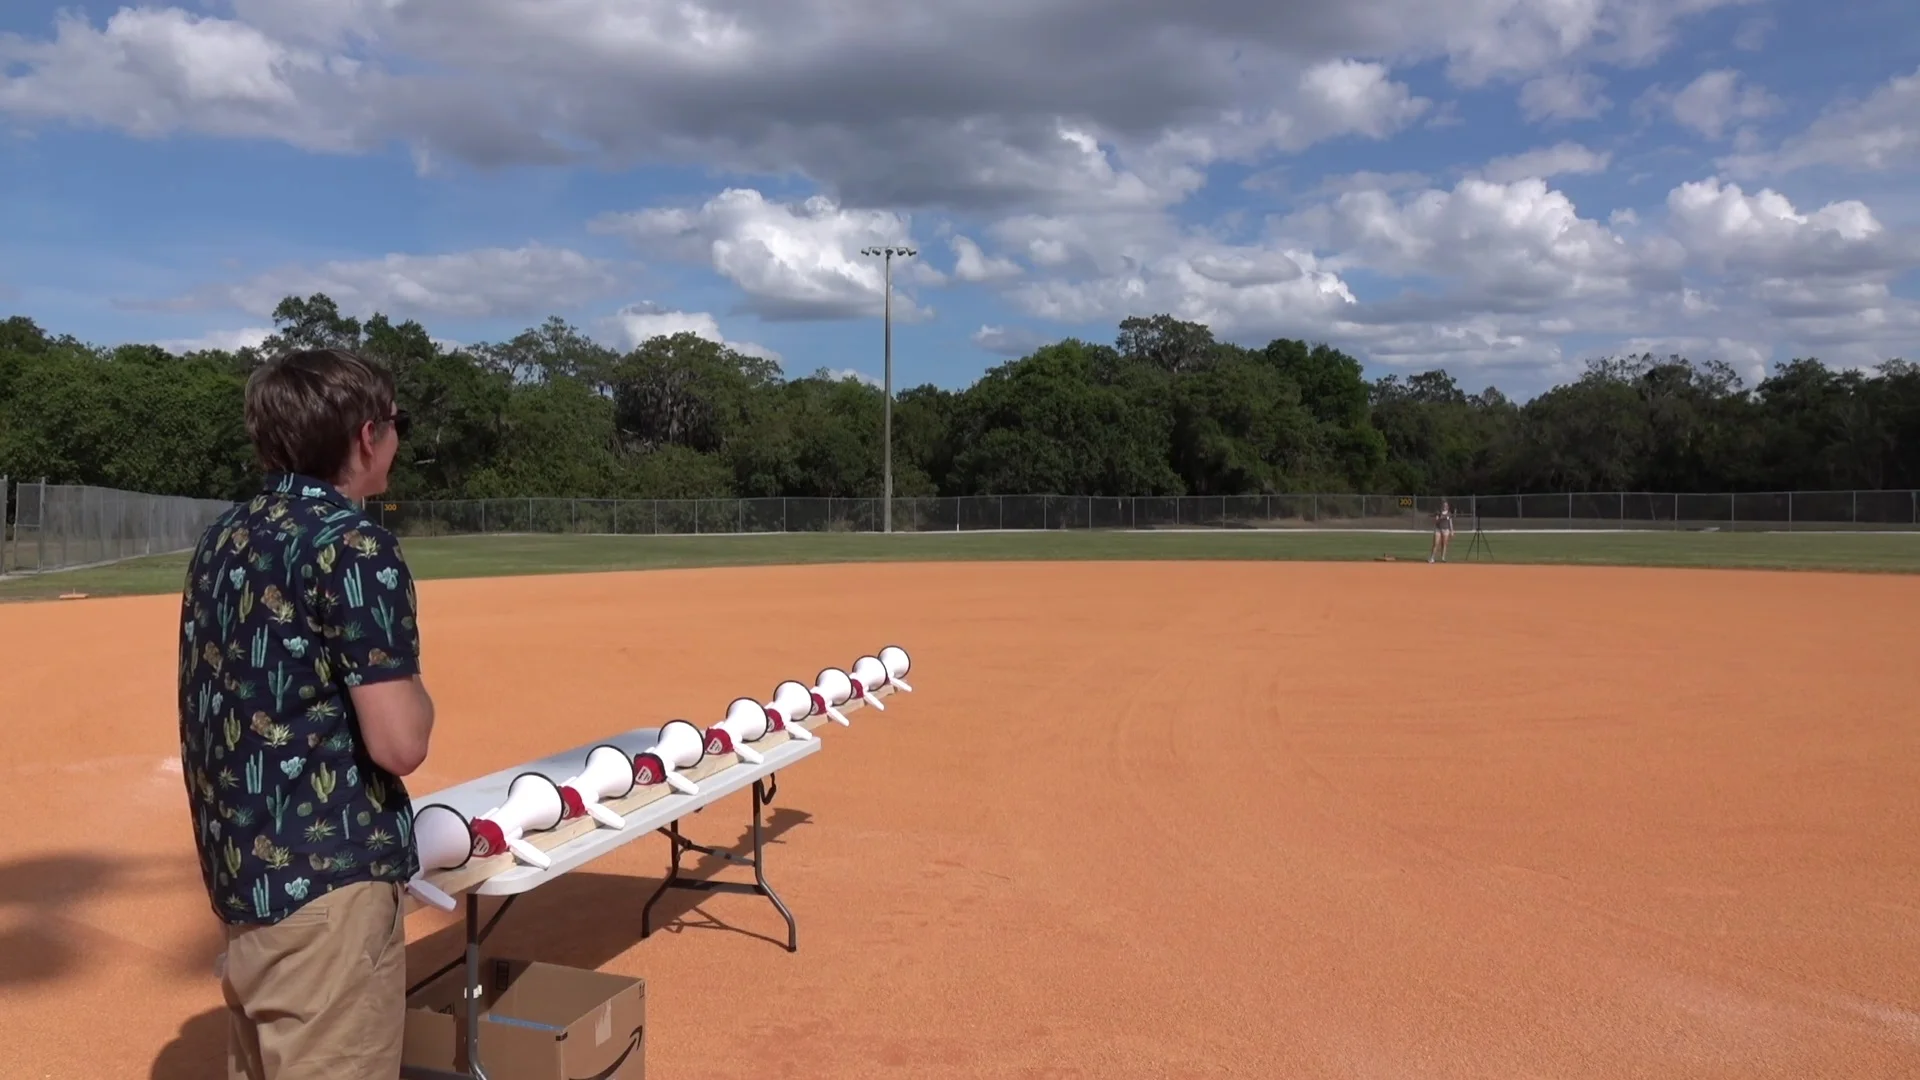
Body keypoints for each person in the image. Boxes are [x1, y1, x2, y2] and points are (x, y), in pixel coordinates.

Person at [176, 347, 437, 1080]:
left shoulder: (225, 537)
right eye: (396, 423)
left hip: (244, 880)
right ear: (366, 435)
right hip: (328, 892)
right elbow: (400, 742)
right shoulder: (355, 545)